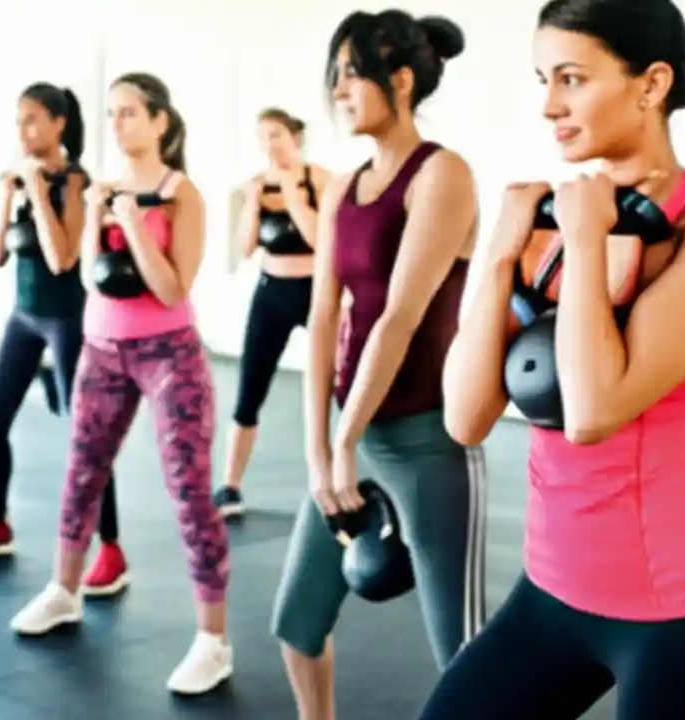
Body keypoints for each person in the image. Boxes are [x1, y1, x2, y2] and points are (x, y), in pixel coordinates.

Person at [420, 1, 685, 717]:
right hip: (549, 596)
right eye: (543, 79)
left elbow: (593, 411)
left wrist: (583, 241)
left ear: (652, 84)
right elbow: (464, 417)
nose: (550, 105)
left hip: (681, 615)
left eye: (571, 78)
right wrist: (501, 251)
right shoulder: (547, 224)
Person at [268, 11, 487, 720]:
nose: (337, 92)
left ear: (399, 80)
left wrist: (343, 440)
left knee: (465, 656)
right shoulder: (341, 186)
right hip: (349, 435)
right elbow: (324, 314)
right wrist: (317, 453)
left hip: (426, 440)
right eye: (332, 78)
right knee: (296, 627)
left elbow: (400, 315)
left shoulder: (443, 174)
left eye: (351, 75)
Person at [8, 72, 232, 695]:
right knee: (82, 470)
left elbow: (171, 287)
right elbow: (84, 278)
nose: (118, 123)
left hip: (169, 354)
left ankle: (213, 640)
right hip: (102, 347)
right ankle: (64, 590)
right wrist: (101, 213)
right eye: (111, 114)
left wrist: (133, 223)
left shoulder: (182, 194)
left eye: (130, 113)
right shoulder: (103, 190)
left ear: (161, 121)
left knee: (188, 490)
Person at [0, 82, 130, 594]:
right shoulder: (18, 178)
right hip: (24, 317)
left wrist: (37, 188)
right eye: (18, 120)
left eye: (33, 120)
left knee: (88, 435)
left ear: (58, 124)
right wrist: (8, 196)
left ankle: (112, 547)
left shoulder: (75, 181)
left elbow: (63, 258)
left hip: (67, 319)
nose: (23, 130)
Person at [214, 107, 330, 519]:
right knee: (250, 388)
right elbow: (245, 247)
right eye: (262, 137)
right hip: (271, 292)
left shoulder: (320, 180)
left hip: (316, 292)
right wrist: (251, 202)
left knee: (336, 386)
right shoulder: (256, 187)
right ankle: (229, 484)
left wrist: (293, 194)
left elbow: (322, 238)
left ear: (295, 137)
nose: (270, 145)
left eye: (277, 135)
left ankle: (335, 477)